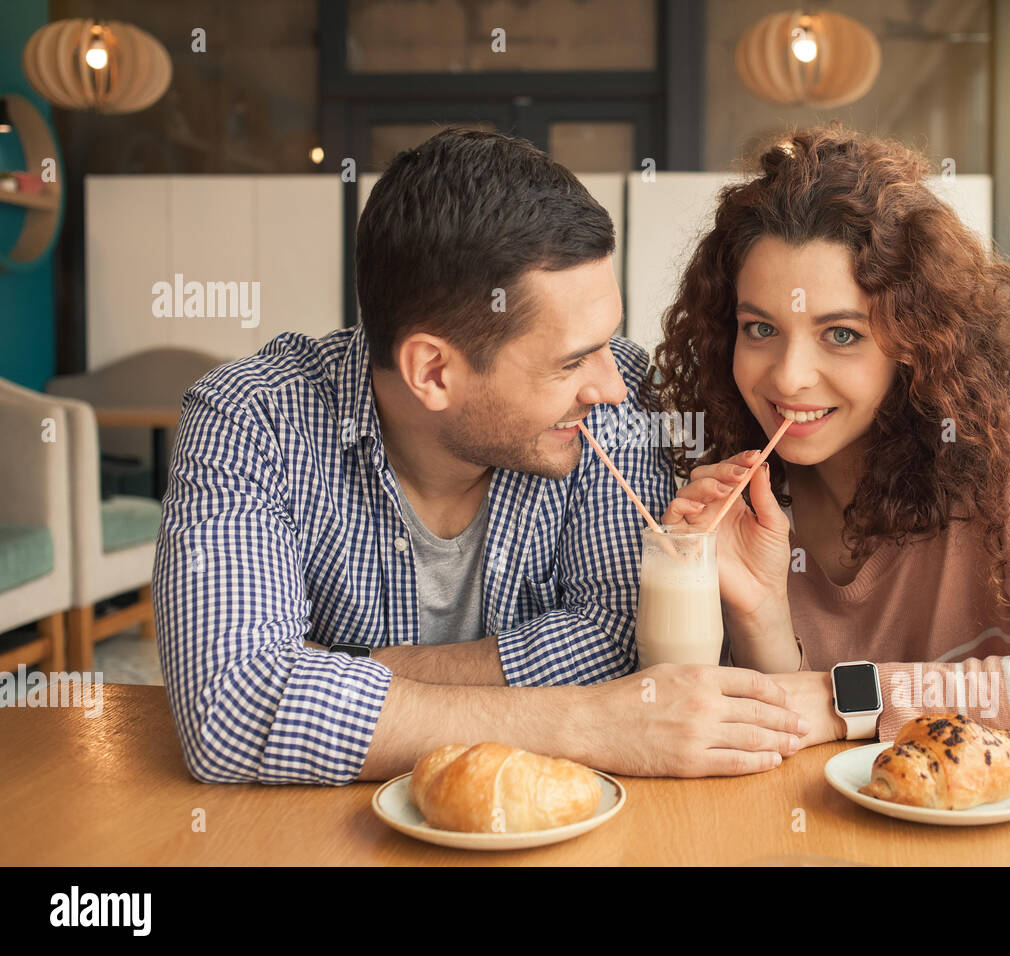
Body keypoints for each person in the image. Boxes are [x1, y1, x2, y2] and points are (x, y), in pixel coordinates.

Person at [153, 128, 810, 786]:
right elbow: (231, 712)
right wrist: (588, 724)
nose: (610, 384)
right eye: (573, 359)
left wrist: (331, 671)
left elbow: (622, 647)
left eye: (606, 342)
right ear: (433, 371)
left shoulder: (613, 402)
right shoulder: (250, 419)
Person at [652, 125, 1010, 751]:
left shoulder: (1002, 437)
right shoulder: (721, 471)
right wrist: (759, 613)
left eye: (841, 334)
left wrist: (847, 697)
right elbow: (782, 735)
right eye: (760, 329)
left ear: (915, 341)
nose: (787, 376)